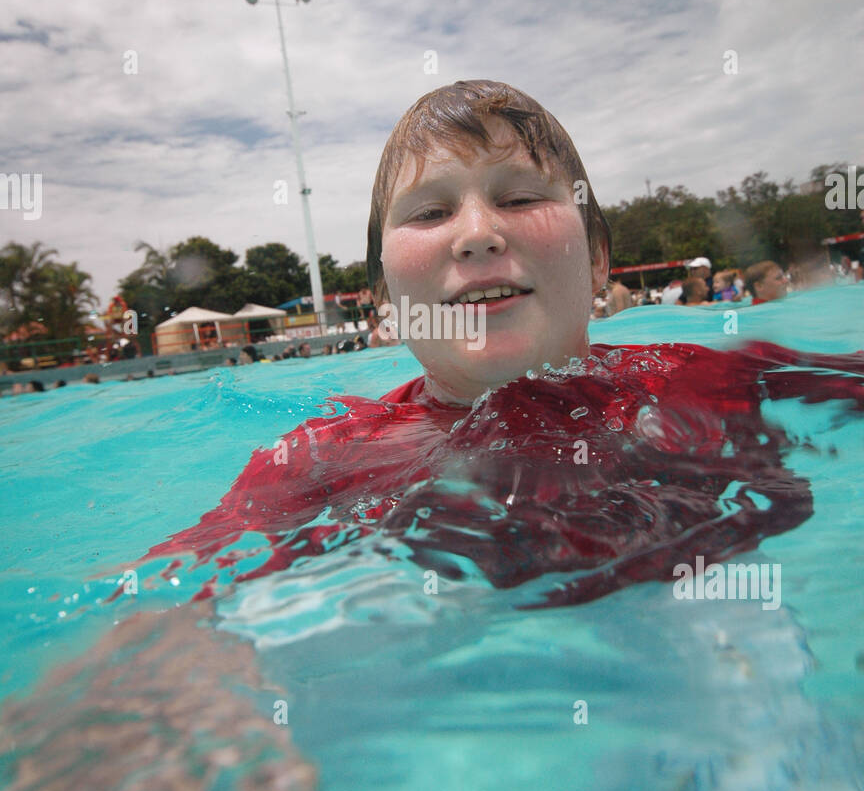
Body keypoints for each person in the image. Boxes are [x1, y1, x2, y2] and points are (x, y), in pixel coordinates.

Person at [142, 78, 864, 612]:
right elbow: (165, 610)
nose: (479, 231)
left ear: (598, 263)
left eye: (520, 198)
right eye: (430, 211)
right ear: (385, 301)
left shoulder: (703, 380)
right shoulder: (321, 460)